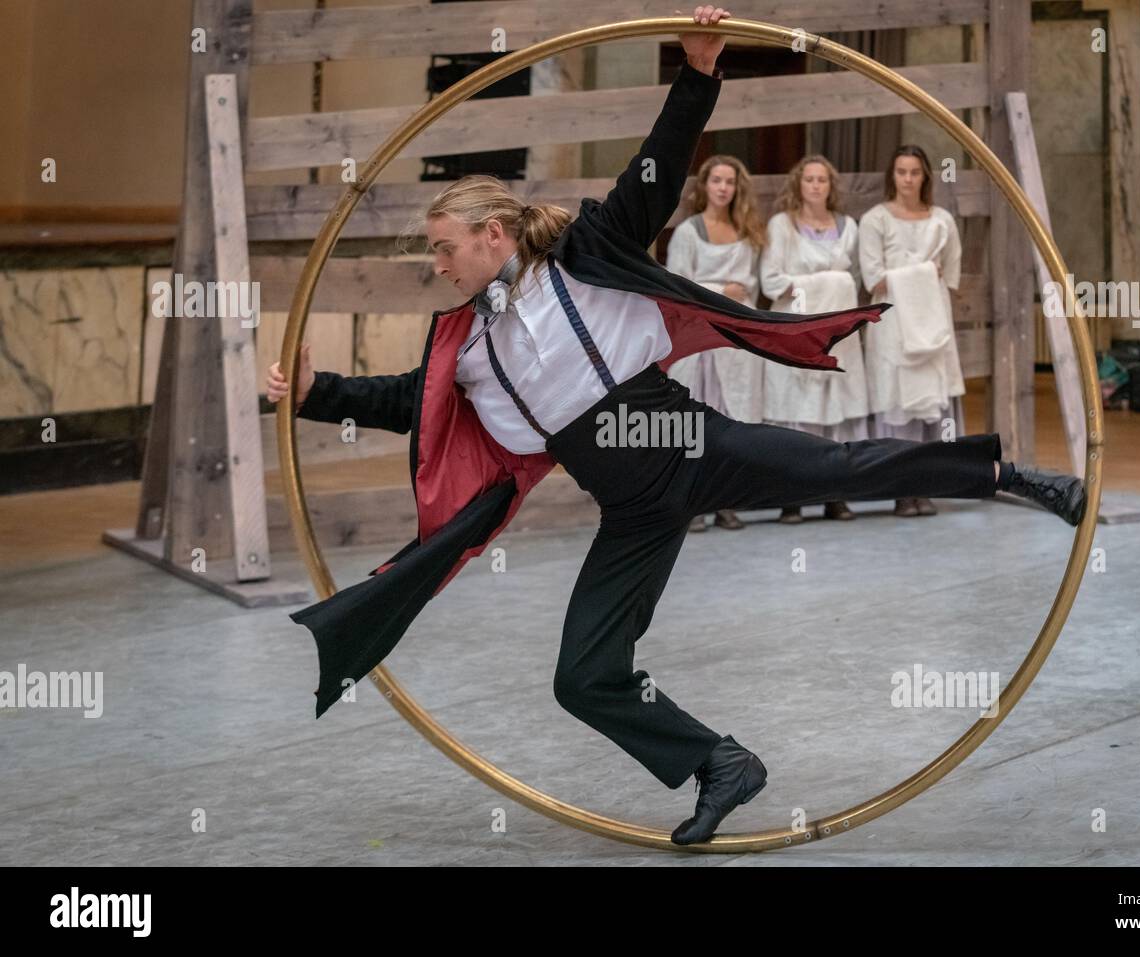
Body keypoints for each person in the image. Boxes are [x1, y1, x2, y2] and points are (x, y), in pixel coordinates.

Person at [267, 5, 1085, 847]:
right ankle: (721, 762)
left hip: (692, 446)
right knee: (584, 677)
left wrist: (698, 71)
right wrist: (313, 391)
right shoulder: (468, 346)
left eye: (443, 246)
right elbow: (407, 399)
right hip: (632, 512)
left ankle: (1006, 477)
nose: (435, 265)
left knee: (842, 465)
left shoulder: (583, 256)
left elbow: (654, 174)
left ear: (492, 234)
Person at [759, 155, 871, 523]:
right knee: (796, 417)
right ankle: (791, 498)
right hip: (797, 328)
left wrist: (832, 288)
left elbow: (853, 278)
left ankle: (834, 495)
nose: (816, 186)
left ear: (830, 185)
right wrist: (821, 282)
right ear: (798, 183)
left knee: (833, 418)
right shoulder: (781, 225)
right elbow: (771, 279)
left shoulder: (848, 227)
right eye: (809, 179)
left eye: (822, 179)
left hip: (837, 334)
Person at [859, 145, 967, 518]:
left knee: (929, 410)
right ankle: (900, 489)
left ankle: (927, 485)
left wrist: (927, 280)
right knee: (898, 406)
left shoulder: (942, 220)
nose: (907, 179)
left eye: (915, 172)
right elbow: (873, 278)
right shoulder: (876, 219)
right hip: (892, 325)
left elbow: (949, 275)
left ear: (925, 177)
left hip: (932, 321)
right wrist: (921, 273)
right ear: (893, 176)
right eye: (901, 172)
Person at [664, 154, 768, 532]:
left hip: (736, 338)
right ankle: (689, 502)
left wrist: (739, 298)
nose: (724, 188)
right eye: (717, 180)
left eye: (730, 181)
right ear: (705, 186)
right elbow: (676, 286)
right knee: (696, 421)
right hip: (700, 337)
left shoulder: (748, 230)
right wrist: (721, 290)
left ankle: (725, 500)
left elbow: (752, 283)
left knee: (732, 422)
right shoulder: (689, 232)